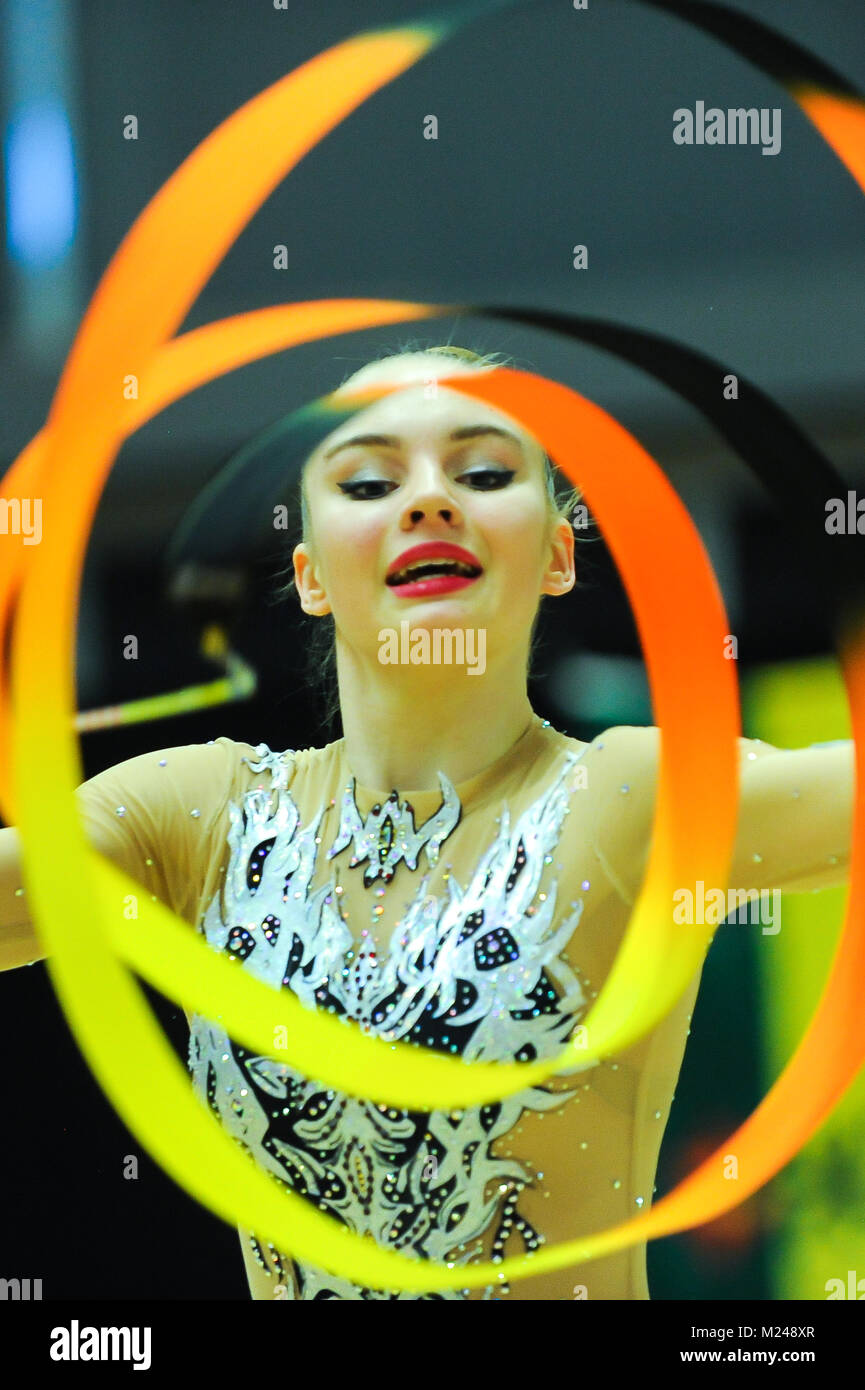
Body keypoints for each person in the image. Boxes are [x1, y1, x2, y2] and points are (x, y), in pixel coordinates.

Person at [0, 345, 853, 1300]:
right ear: (312, 573)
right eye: (368, 481)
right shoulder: (196, 818)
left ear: (557, 554)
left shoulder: (633, 801)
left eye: (483, 473)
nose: (428, 500)